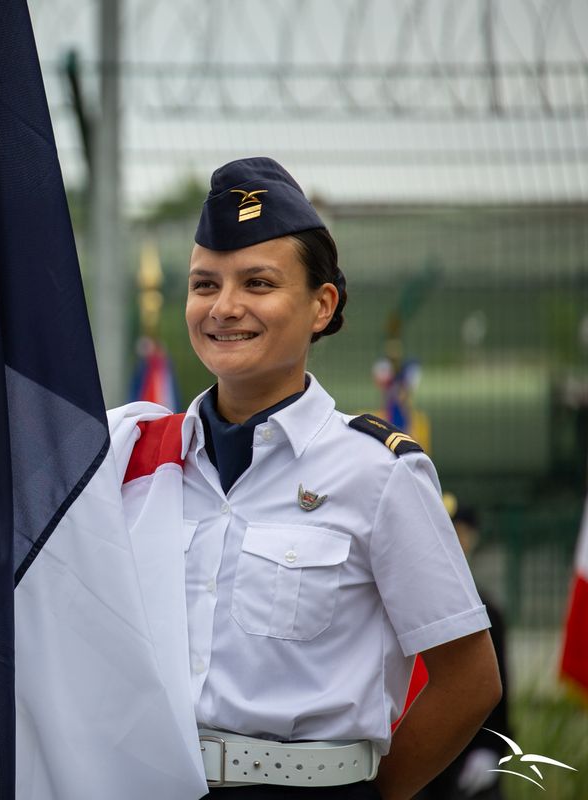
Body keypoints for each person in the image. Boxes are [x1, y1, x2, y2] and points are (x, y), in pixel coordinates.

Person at [110, 157, 501, 799]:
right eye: (205, 284)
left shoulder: (378, 474)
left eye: (258, 283)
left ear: (322, 305)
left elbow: (469, 680)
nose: (224, 307)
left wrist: (373, 793)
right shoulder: (137, 458)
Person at [416, 499, 512, 800]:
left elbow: (496, 686)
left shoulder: (485, 607)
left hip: (467, 752)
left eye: (458, 532)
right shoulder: (404, 603)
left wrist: (490, 747)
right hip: (414, 749)